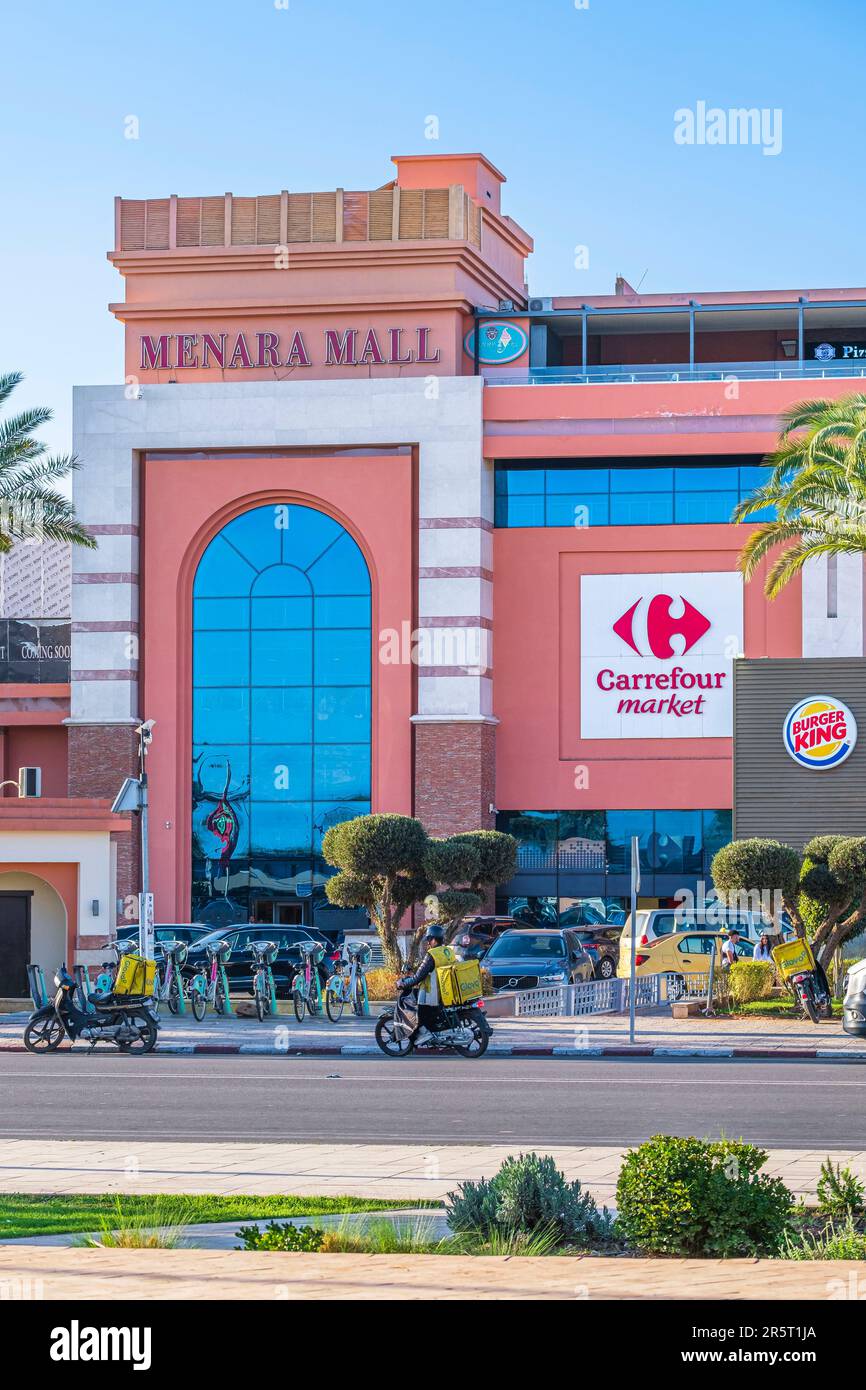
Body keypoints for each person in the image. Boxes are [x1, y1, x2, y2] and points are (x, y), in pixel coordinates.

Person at [395, 923, 455, 1044]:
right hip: (447, 991)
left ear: (433, 939)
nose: (428, 942)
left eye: (429, 939)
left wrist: (403, 984)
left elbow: (418, 978)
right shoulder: (448, 951)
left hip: (432, 993)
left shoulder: (432, 954)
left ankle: (424, 1034)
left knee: (413, 1008)